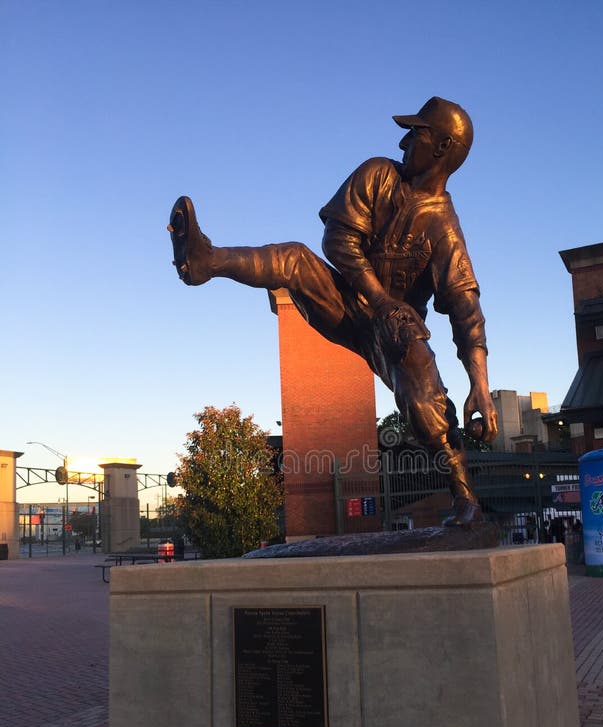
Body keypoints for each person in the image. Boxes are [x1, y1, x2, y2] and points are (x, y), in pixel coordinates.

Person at [168, 97, 498, 524]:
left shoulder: (444, 229)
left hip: (394, 332)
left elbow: (466, 308)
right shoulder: (378, 174)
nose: (403, 141)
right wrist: (378, 301)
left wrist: (481, 386)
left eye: (416, 133)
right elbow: (336, 241)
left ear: (441, 147)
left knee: (426, 404)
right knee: (294, 258)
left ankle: (466, 500)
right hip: (347, 300)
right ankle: (204, 260)